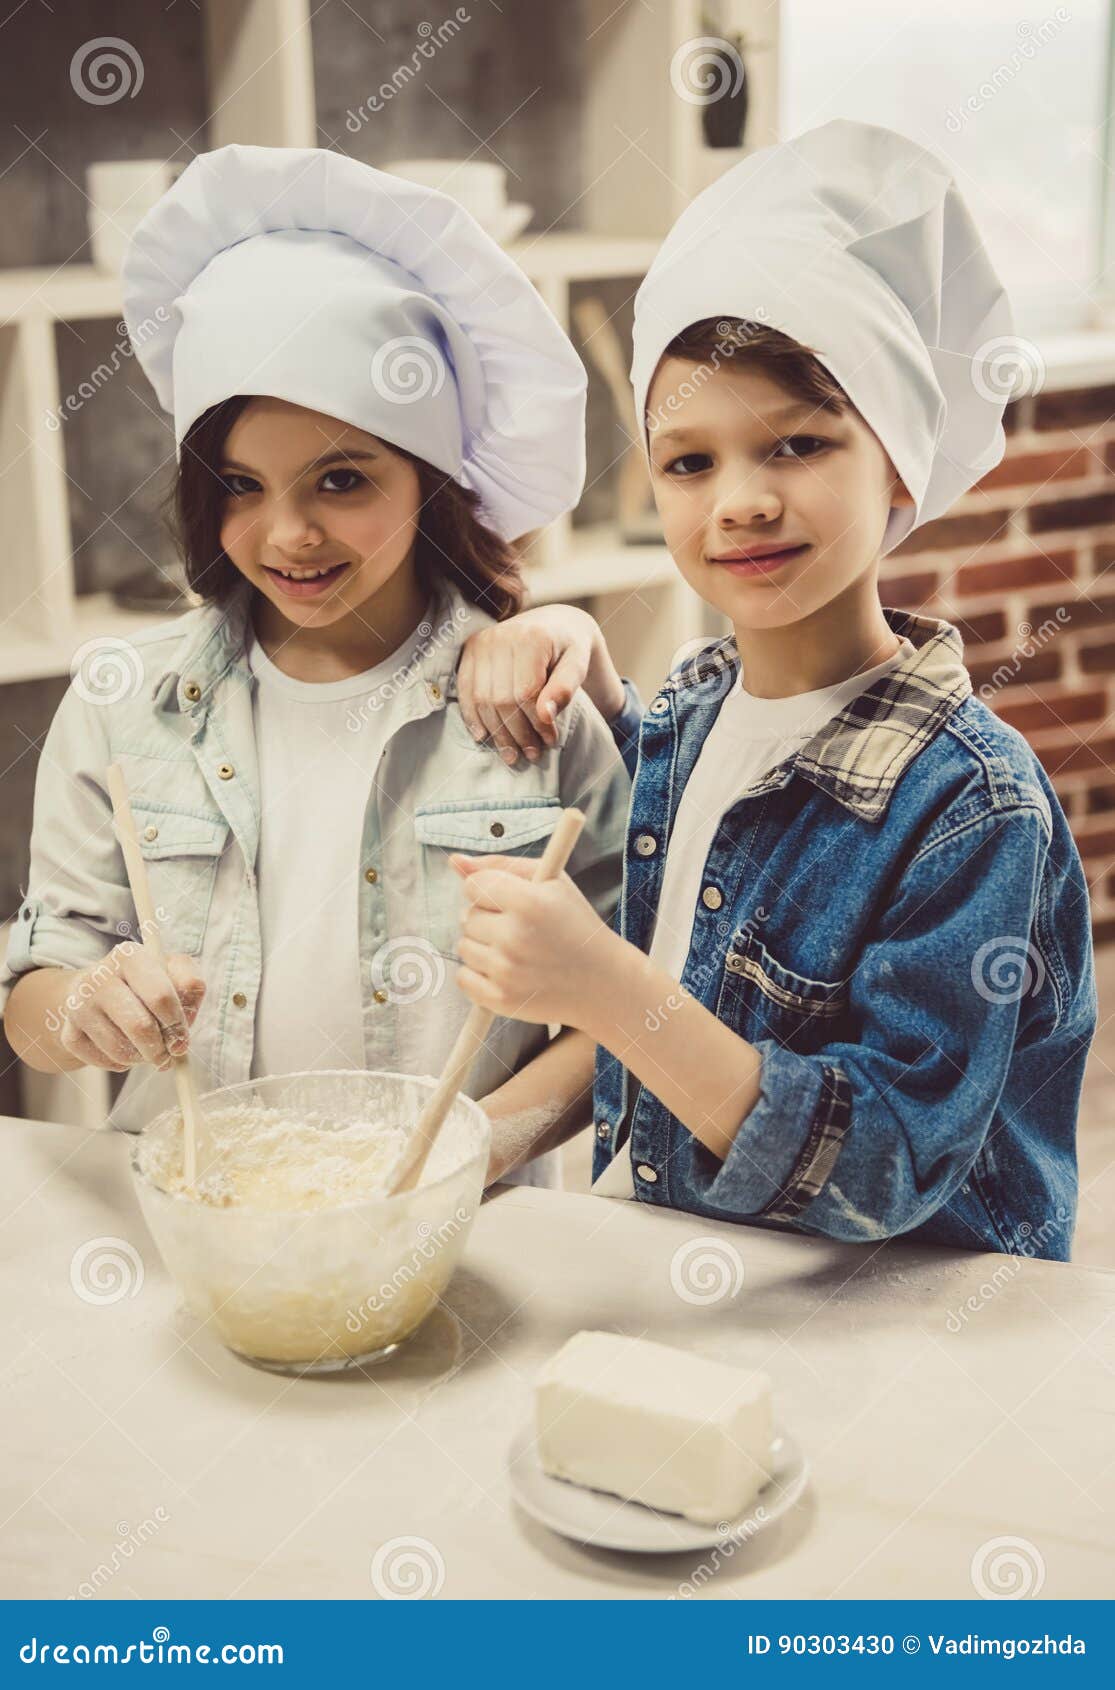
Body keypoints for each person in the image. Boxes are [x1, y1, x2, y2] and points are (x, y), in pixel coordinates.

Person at [452, 120, 1096, 1256]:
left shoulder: (972, 811)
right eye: (688, 461)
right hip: (699, 1275)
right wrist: (592, 675)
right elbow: (724, 861)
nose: (737, 500)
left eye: (795, 445)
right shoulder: (699, 713)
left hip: (898, 1334)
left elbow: (883, 1165)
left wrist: (607, 992)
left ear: (893, 456)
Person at [1, 145, 630, 1188]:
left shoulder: (533, 710)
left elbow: (632, 1006)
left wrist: (461, 1160)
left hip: (458, 1240)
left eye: (341, 479)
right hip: (188, 1235)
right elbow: (34, 994)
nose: (286, 534)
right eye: (240, 485)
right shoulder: (124, 703)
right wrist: (81, 1009)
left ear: (429, 480)